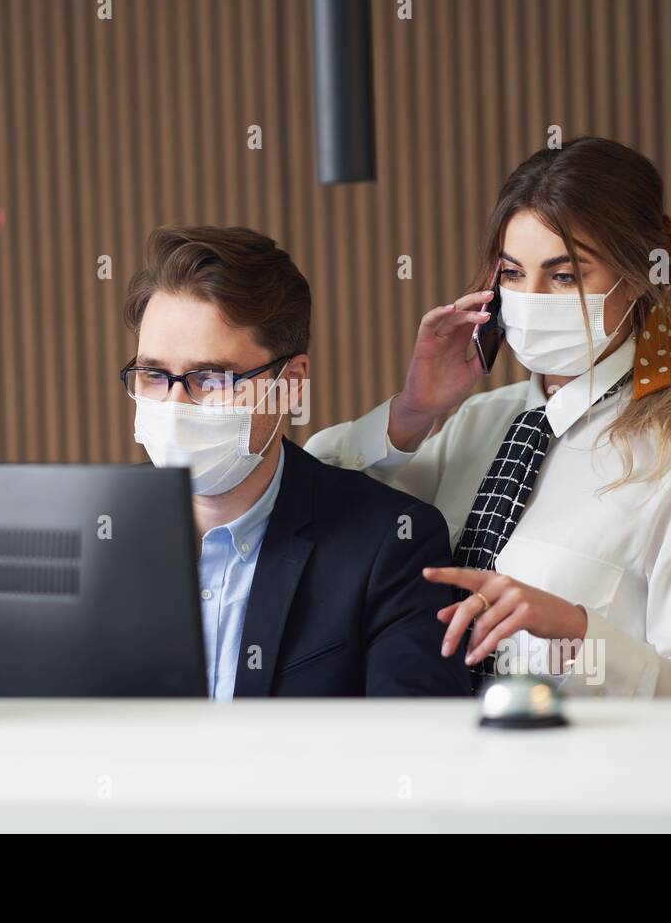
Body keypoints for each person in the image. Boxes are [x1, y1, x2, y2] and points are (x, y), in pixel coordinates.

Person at [306, 137, 671, 698]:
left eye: (566, 276)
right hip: (436, 764)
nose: (532, 297)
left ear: (640, 277)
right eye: (513, 273)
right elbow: (308, 500)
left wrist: (575, 630)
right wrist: (412, 409)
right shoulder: (476, 422)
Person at [120, 225, 466, 699]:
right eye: (154, 375)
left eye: (214, 378)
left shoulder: (390, 546)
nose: (178, 404)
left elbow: (413, 752)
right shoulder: (96, 526)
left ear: (291, 382)